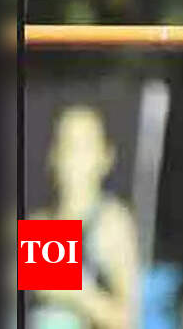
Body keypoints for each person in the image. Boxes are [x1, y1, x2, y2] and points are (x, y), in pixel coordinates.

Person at [30, 106, 139, 329]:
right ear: (54, 156)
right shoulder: (39, 223)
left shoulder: (113, 223)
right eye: (67, 143)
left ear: (105, 157)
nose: (74, 155)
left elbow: (130, 319)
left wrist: (79, 292)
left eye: (84, 145)